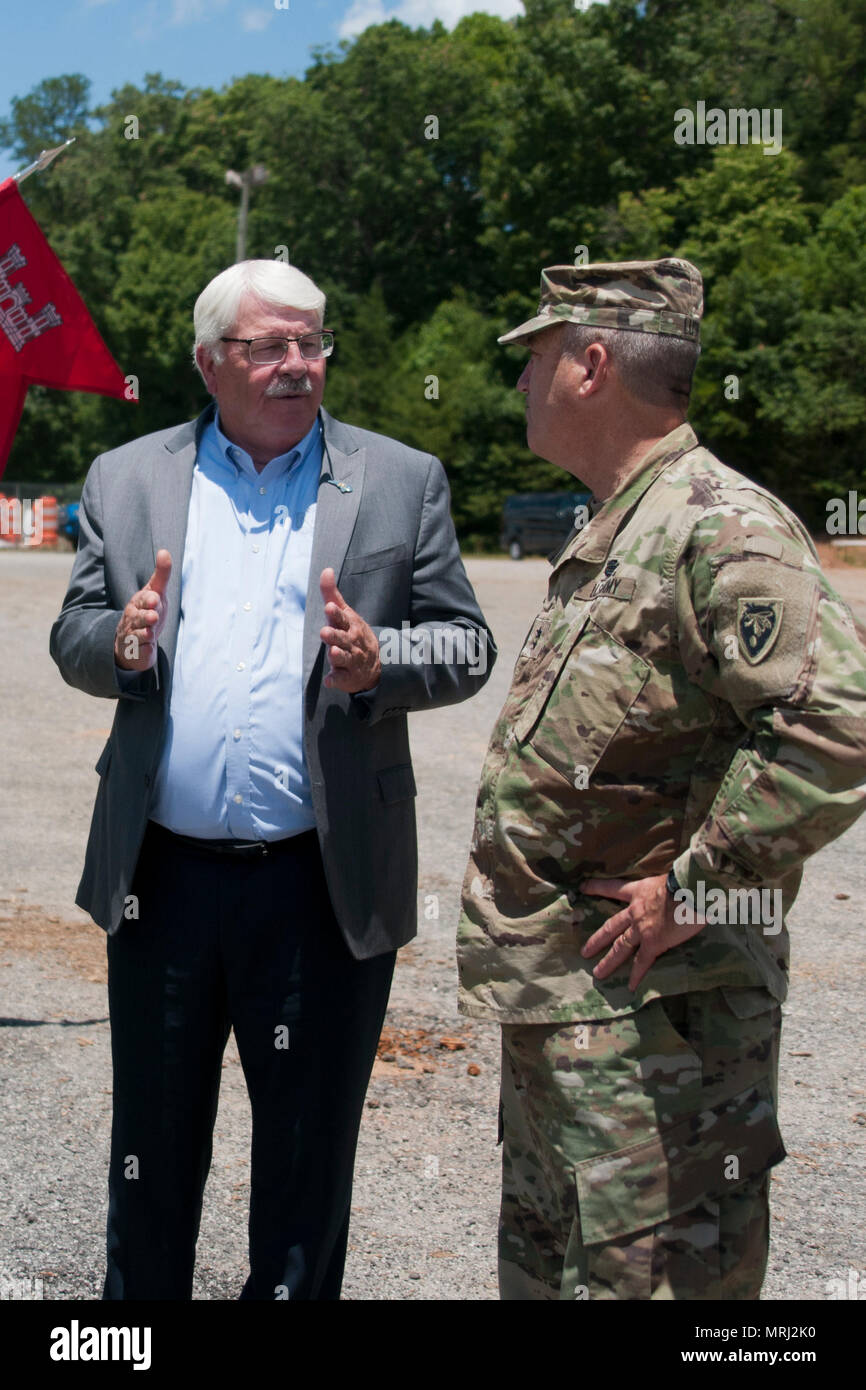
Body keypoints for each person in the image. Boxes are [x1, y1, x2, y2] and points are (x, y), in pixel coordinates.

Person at [50, 258, 495, 1301]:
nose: (298, 364)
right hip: (161, 880)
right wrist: (118, 643)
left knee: (305, 1169)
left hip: (321, 882)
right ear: (210, 362)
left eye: (312, 342)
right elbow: (72, 631)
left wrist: (384, 659)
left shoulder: (398, 478)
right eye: (269, 346)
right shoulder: (126, 478)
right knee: (150, 1154)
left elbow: (466, 643)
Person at [456, 257, 866, 1300]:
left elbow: (832, 722)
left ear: (592, 363)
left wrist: (696, 887)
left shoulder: (718, 524)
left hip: (664, 1030)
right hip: (575, 1008)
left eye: (535, 356)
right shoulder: (620, 523)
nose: (518, 383)